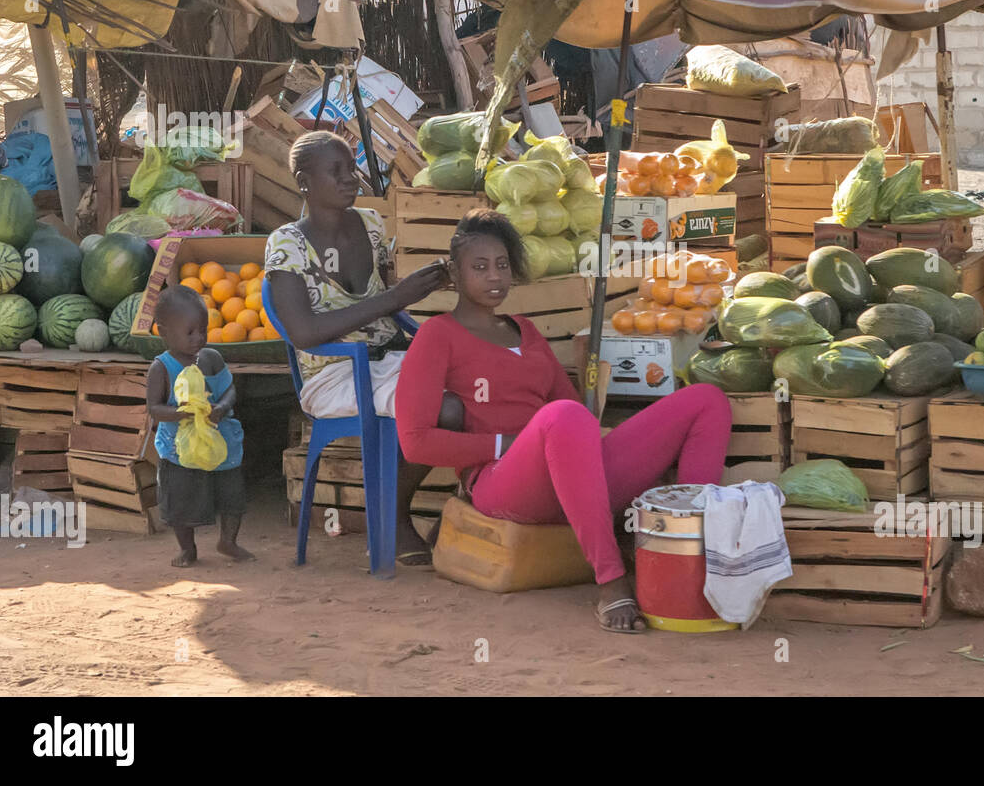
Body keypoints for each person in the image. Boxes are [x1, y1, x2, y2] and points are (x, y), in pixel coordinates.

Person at [395, 209, 733, 633]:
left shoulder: (528, 332)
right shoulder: (437, 336)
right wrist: (504, 444)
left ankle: (691, 555)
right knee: (563, 416)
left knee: (706, 400)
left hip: (571, 475)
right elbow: (416, 442)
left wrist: (625, 454)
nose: (494, 276)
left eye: (502, 265)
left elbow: (577, 415)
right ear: (456, 275)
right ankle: (611, 581)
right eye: (479, 267)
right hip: (502, 482)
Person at [265, 130, 451, 565]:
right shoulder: (286, 244)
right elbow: (305, 334)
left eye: (353, 168)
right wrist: (394, 299)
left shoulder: (371, 225)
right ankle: (394, 516)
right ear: (303, 182)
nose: (351, 179)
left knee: (470, 392)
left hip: (387, 358)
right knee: (444, 409)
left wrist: (414, 300)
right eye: (337, 171)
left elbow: (390, 306)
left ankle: (461, 509)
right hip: (333, 373)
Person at [146, 286, 250, 568]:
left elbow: (230, 390)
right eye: (190, 332)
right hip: (181, 450)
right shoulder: (161, 368)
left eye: (203, 330)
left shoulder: (212, 358)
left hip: (221, 442)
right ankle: (187, 549)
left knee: (232, 496)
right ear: (163, 331)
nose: (199, 339)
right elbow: (154, 409)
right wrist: (181, 413)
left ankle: (228, 540)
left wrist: (222, 407)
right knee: (181, 504)